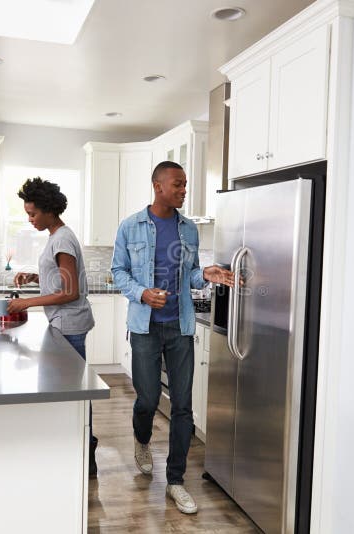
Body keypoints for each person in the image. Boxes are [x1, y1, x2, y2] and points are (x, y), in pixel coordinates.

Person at [111, 161, 235, 514]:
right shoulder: (131, 226)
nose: (183, 190)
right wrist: (141, 293)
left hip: (180, 327)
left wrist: (206, 273)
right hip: (145, 327)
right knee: (148, 400)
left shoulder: (189, 230)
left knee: (182, 406)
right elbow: (117, 272)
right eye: (178, 185)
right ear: (158, 185)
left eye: (184, 185)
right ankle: (142, 439)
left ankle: (176, 481)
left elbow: (192, 275)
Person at [8, 177, 99, 476]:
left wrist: (27, 304)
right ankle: (77, 451)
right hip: (65, 323)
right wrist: (36, 277)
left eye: (32, 213)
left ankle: (85, 455)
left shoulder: (61, 238)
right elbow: (62, 279)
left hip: (69, 324)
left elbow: (70, 291)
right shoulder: (58, 236)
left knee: (73, 393)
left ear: (48, 209)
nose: (30, 219)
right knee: (68, 391)